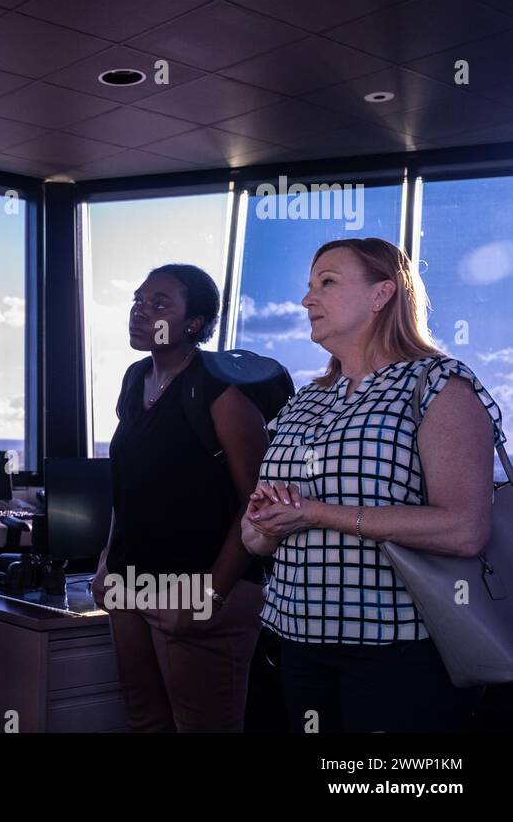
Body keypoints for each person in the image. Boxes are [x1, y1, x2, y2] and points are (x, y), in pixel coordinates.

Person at [243, 238, 503, 733]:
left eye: (327, 283)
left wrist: (317, 512)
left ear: (382, 294)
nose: (306, 300)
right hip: (295, 648)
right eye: (309, 286)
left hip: (401, 651)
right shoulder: (303, 402)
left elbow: (466, 529)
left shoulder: (437, 385)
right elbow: (252, 537)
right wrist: (265, 521)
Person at [96, 264, 270, 732]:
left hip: (200, 582)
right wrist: (107, 562)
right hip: (130, 579)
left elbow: (258, 503)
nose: (139, 312)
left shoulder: (221, 389)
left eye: (159, 304)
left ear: (194, 323)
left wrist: (211, 595)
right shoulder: (135, 380)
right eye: (137, 300)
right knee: (145, 719)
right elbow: (128, 486)